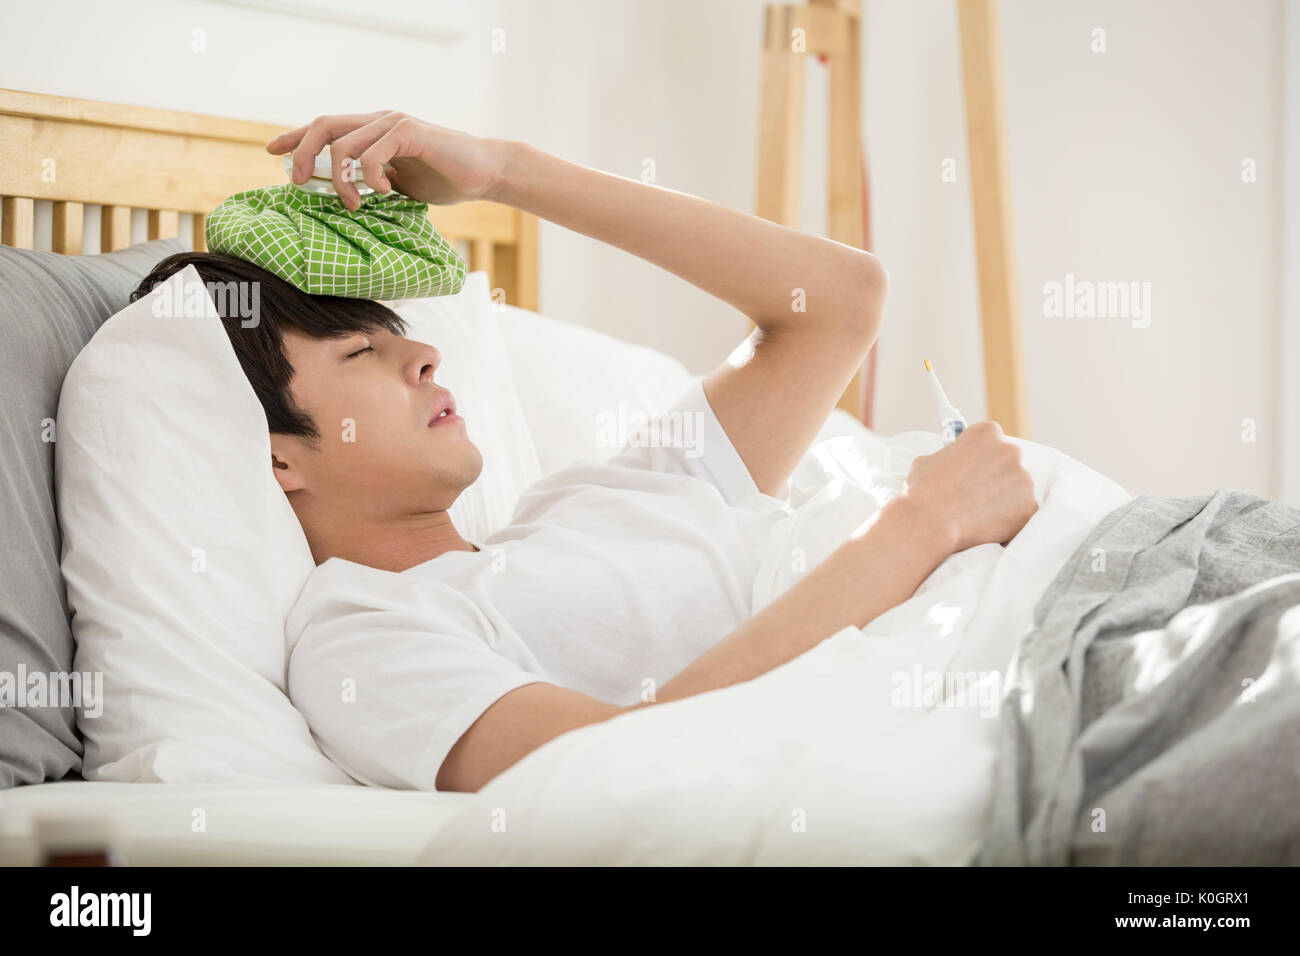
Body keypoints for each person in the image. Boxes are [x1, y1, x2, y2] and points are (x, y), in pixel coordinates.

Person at [137, 111, 1037, 793]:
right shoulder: (366, 637)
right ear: (279, 457)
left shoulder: (589, 503)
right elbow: (619, 770)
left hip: (1088, 580)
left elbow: (838, 299)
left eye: (398, 332)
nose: (424, 354)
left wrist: (502, 171)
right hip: (1040, 677)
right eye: (360, 353)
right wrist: (925, 522)